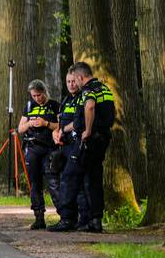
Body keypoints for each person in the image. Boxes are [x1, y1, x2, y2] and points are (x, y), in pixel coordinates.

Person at [51, 62, 115, 233]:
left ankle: (67, 219)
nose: (74, 84)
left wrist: (86, 130)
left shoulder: (88, 90)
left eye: (75, 80)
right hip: (103, 138)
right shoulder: (105, 89)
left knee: (70, 176)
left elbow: (90, 106)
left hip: (90, 140)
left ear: (80, 77)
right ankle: (94, 220)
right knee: (93, 179)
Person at [17, 80, 61, 229]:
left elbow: (61, 126)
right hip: (33, 148)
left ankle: (65, 216)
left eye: (39, 95)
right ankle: (39, 217)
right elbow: (20, 129)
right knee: (34, 183)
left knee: (53, 182)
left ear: (45, 92)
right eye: (34, 96)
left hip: (49, 148)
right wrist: (30, 123)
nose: (37, 98)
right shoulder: (29, 106)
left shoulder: (55, 106)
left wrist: (45, 124)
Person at [48, 72, 89, 229]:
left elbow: (81, 120)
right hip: (64, 146)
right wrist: (56, 133)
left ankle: (77, 219)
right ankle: (68, 218)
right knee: (63, 180)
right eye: (68, 81)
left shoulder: (83, 97)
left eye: (73, 81)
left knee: (73, 182)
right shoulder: (66, 100)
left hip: (76, 144)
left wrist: (64, 129)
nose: (71, 84)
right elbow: (60, 121)